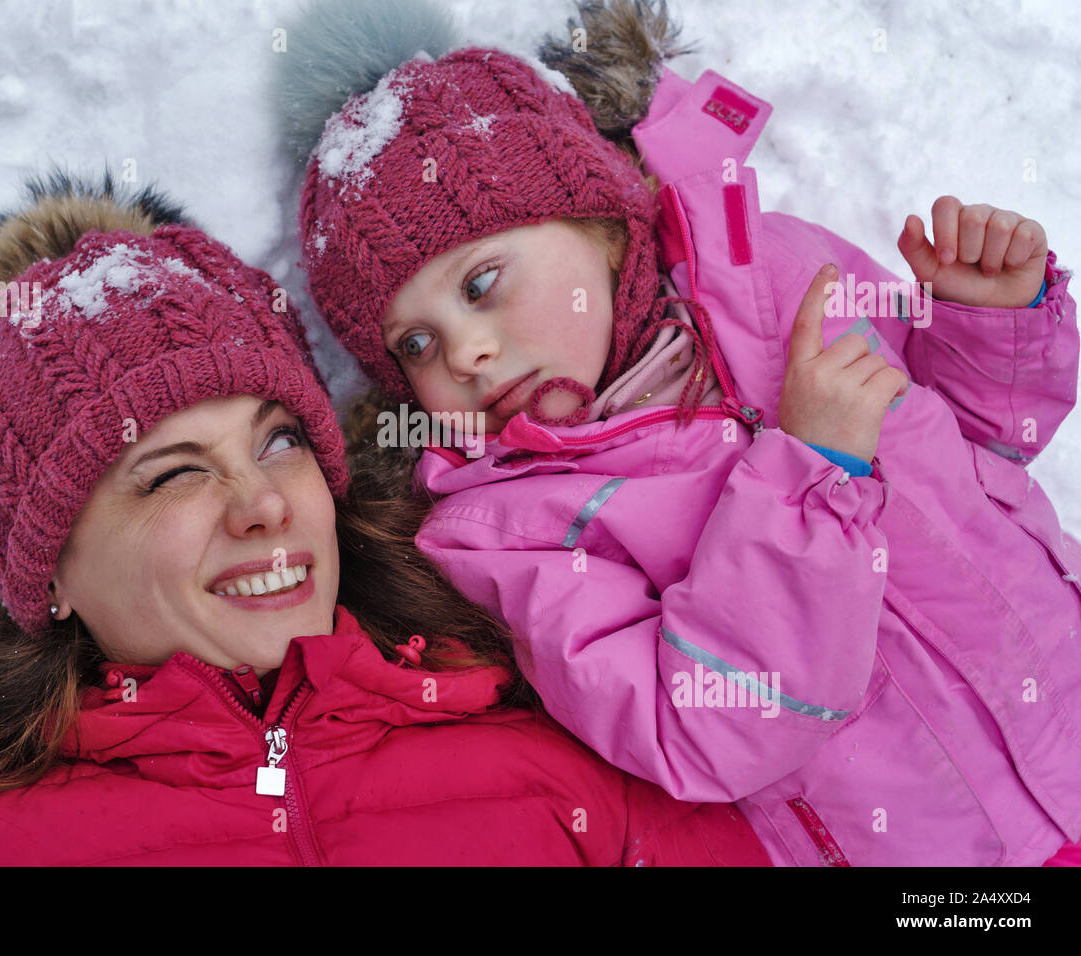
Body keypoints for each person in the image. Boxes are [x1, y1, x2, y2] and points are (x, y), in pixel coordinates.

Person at [280, 0, 1081, 865]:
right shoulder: (513, 535)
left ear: (600, 228)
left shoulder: (779, 274)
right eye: (417, 344)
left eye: (480, 285)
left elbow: (988, 444)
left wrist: (992, 323)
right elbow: (701, 731)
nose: (468, 352)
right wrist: (811, 478)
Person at [0, 174, 770, 866]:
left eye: (281, 442)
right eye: (174, 475)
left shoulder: (568, 756)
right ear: (45, 568)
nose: (263, 506)